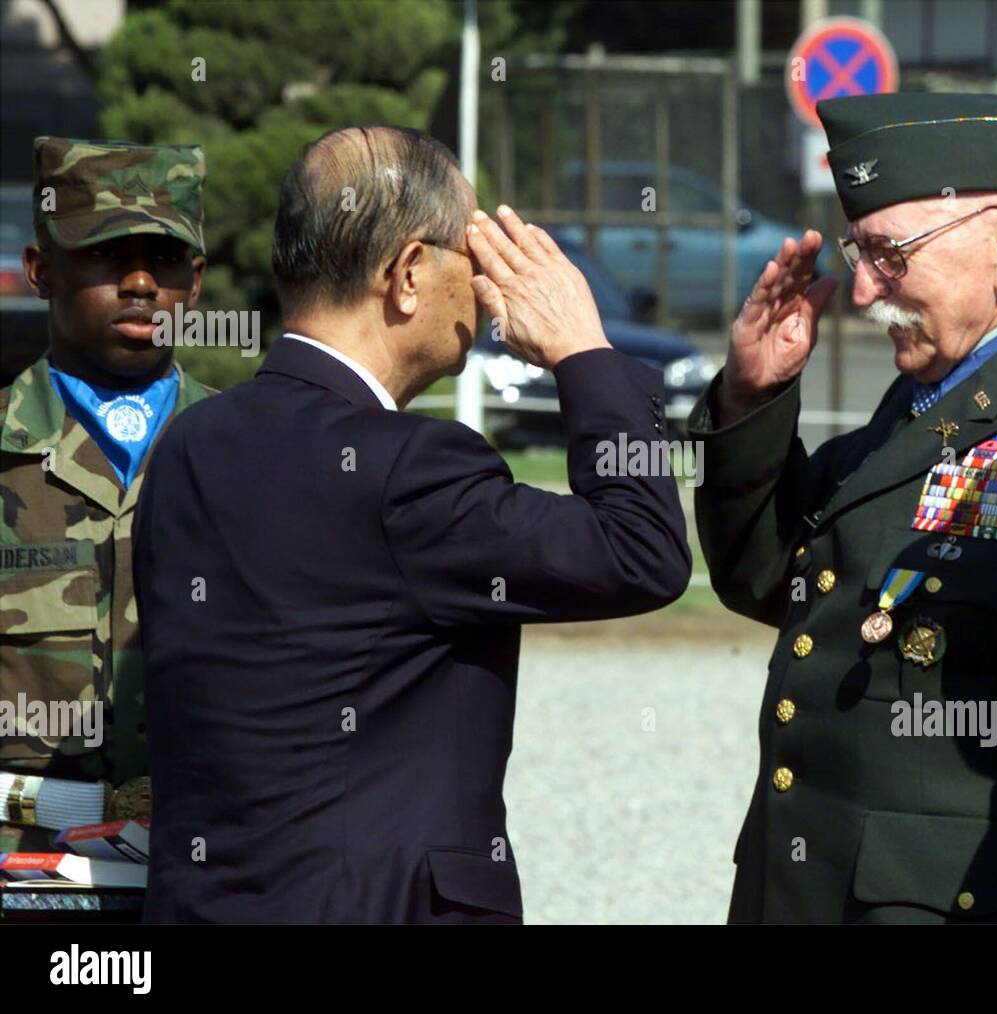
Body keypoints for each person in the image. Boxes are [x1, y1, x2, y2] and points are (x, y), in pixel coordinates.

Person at [132, 126, 691, 924]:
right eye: (474, 255)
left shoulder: (191, 442)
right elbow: (644, 553)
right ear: (407, 275)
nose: (489, 284)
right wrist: (584, 352)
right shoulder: (412, 469)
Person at [689, 87, 997, 924]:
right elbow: (770, 578)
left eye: (890, 254)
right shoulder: (925, 399)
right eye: (855, 253)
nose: (864, 291)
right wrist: (753, 398)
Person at [1, 138, 211, 861]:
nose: (142, 284)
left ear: (199, 281)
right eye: (104, 257)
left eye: (166, 260)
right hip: (20, 868)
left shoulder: (245, 457)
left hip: (202, 875)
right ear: (40, 271)